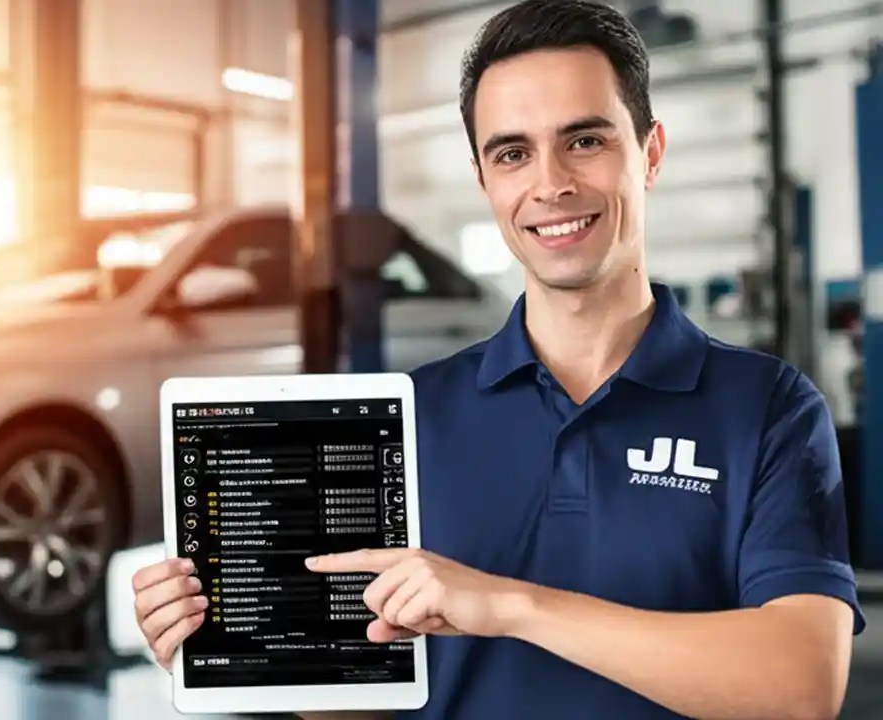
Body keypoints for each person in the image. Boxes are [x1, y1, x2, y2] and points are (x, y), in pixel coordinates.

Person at [130, 0, 867, 717]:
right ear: (486, 181)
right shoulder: (405, 418)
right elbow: (364, 703)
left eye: (585, 140)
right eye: (513, 153)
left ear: (650, 153)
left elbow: (799, 686)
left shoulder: (768, 407)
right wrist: (236, 644)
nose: (550, 184)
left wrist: (510, 605)